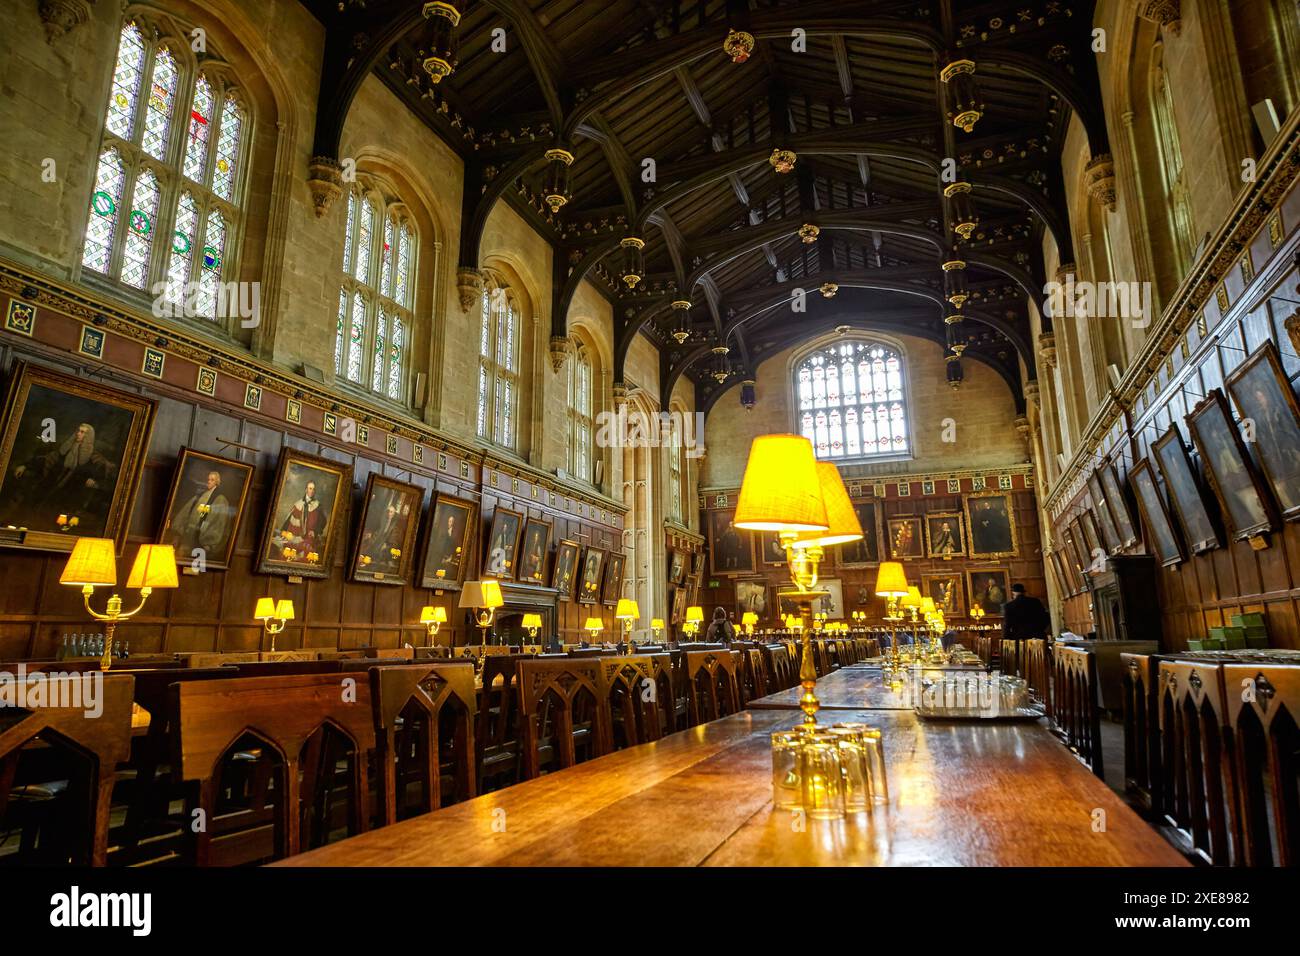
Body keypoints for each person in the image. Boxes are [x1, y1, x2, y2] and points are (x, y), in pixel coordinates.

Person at [169, 469, 232, 557]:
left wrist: (208, 542)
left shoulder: (220, 499)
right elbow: (186, 512)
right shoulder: (200, 496)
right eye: (208, 479)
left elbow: (218, 523)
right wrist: (178, 533)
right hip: (188, 535)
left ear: (217, 482)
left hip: (201, 540)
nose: (209, 482)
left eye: (212, 480)